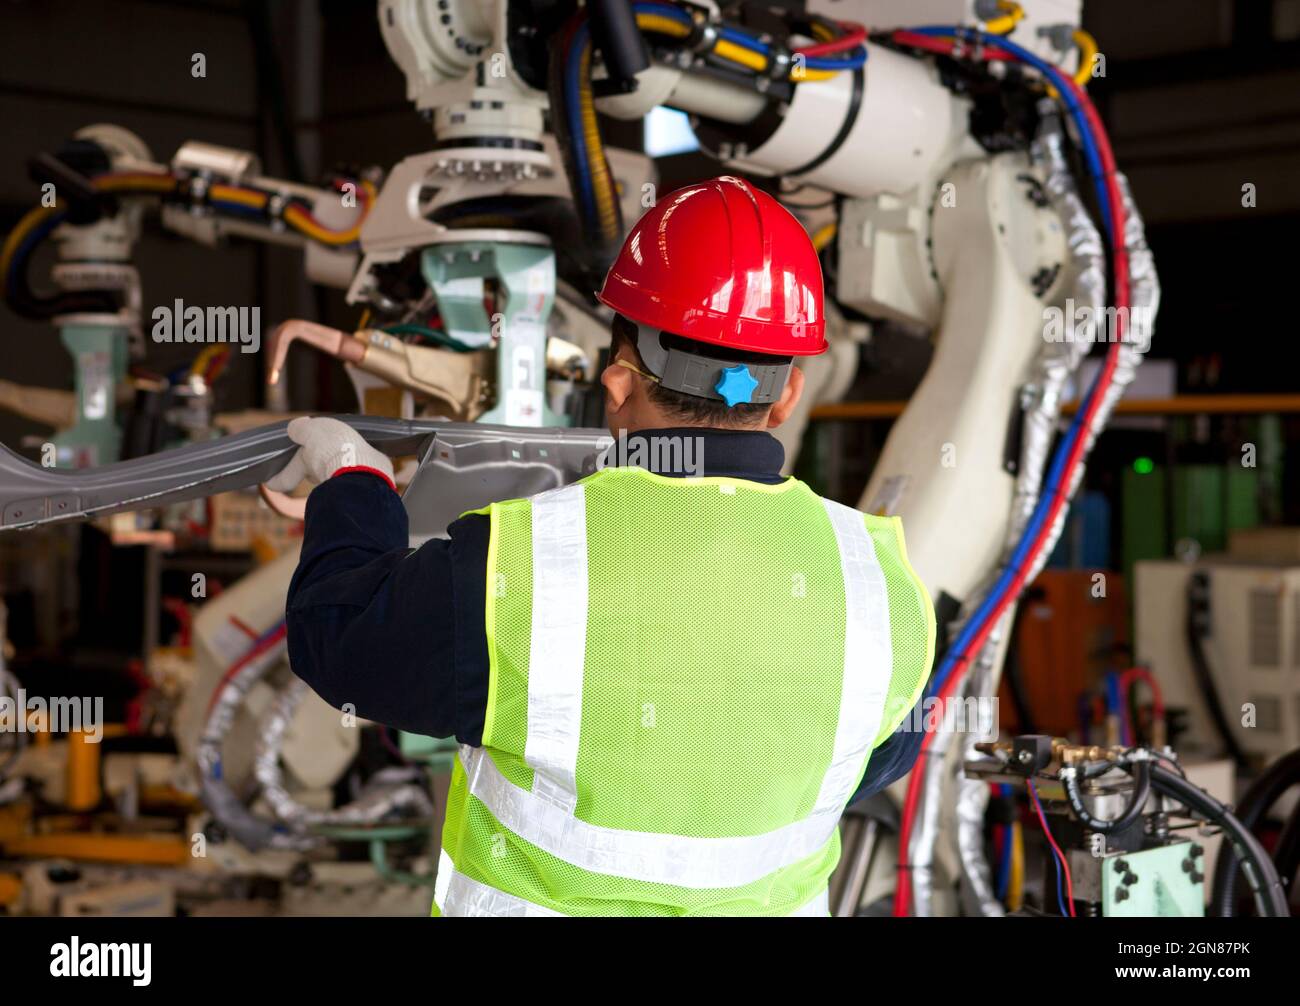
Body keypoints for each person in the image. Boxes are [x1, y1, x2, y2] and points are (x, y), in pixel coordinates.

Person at [274, 175, 934, 916]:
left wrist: (352, 481)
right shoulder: (883, 589)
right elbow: (871, 764)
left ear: (617, 386)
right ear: (787, 395)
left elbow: (338, 638)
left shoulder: (523, 566)